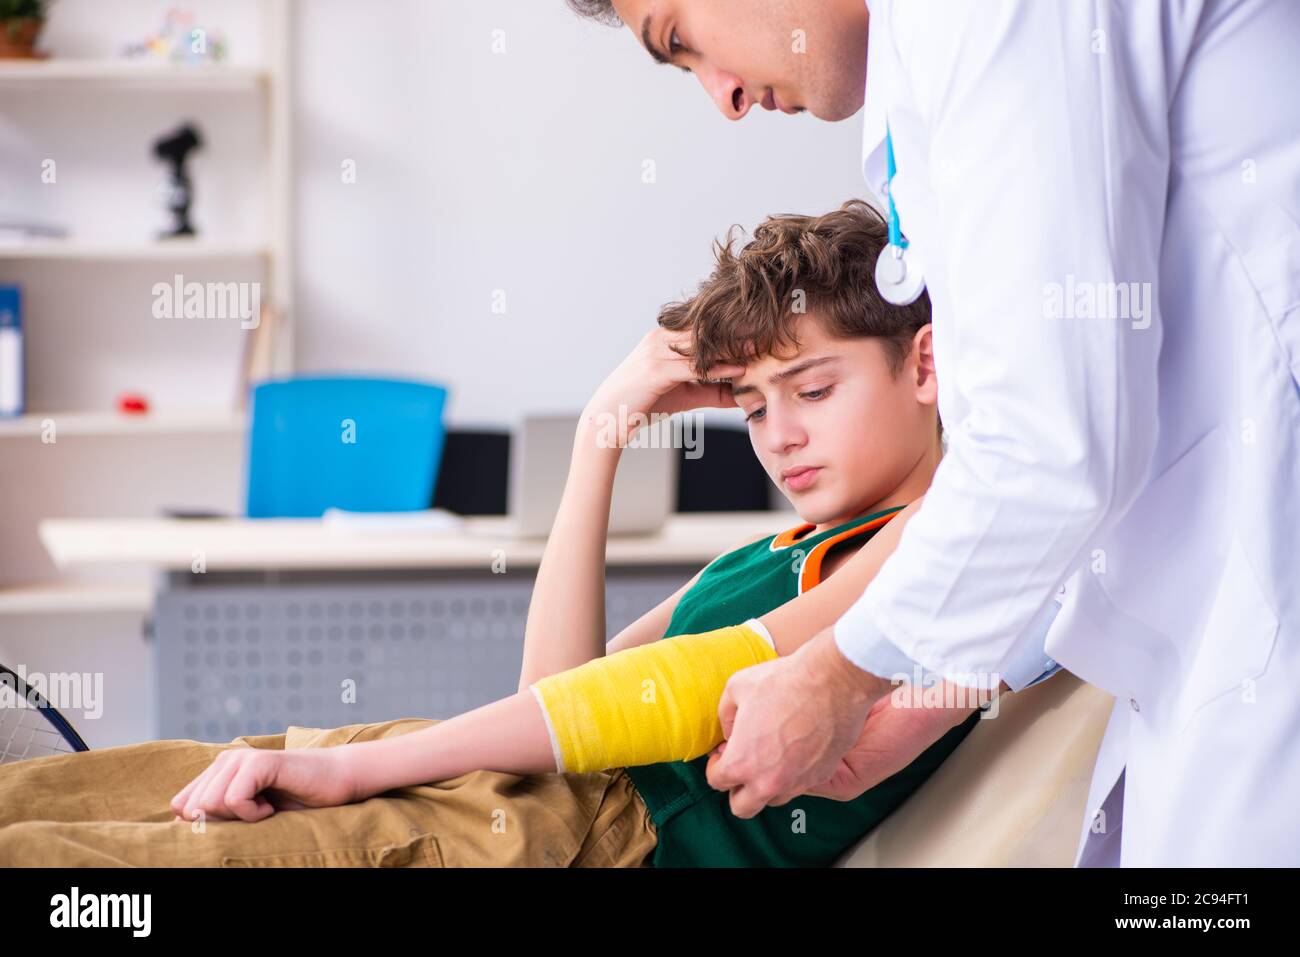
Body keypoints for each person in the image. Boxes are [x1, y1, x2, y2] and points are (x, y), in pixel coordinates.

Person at [0, 201, 980, 868]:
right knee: (67, 797)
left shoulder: (942, 535)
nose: (782, 437)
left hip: (574, 834)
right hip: (502, 787)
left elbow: (659, 700)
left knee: (92, 859)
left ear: (923, 365)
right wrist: (602, 430)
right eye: (755, 408)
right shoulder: (769, 555)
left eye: (812, 392)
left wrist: (347, 770)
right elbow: (555, 699)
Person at [571, 0, 1300, 865]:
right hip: (1200, 628)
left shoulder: (990, 18)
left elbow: (1050, 448)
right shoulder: (929, 76)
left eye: (681, 40)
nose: (722, 95)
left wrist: (843, 673)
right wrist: (911, 706)